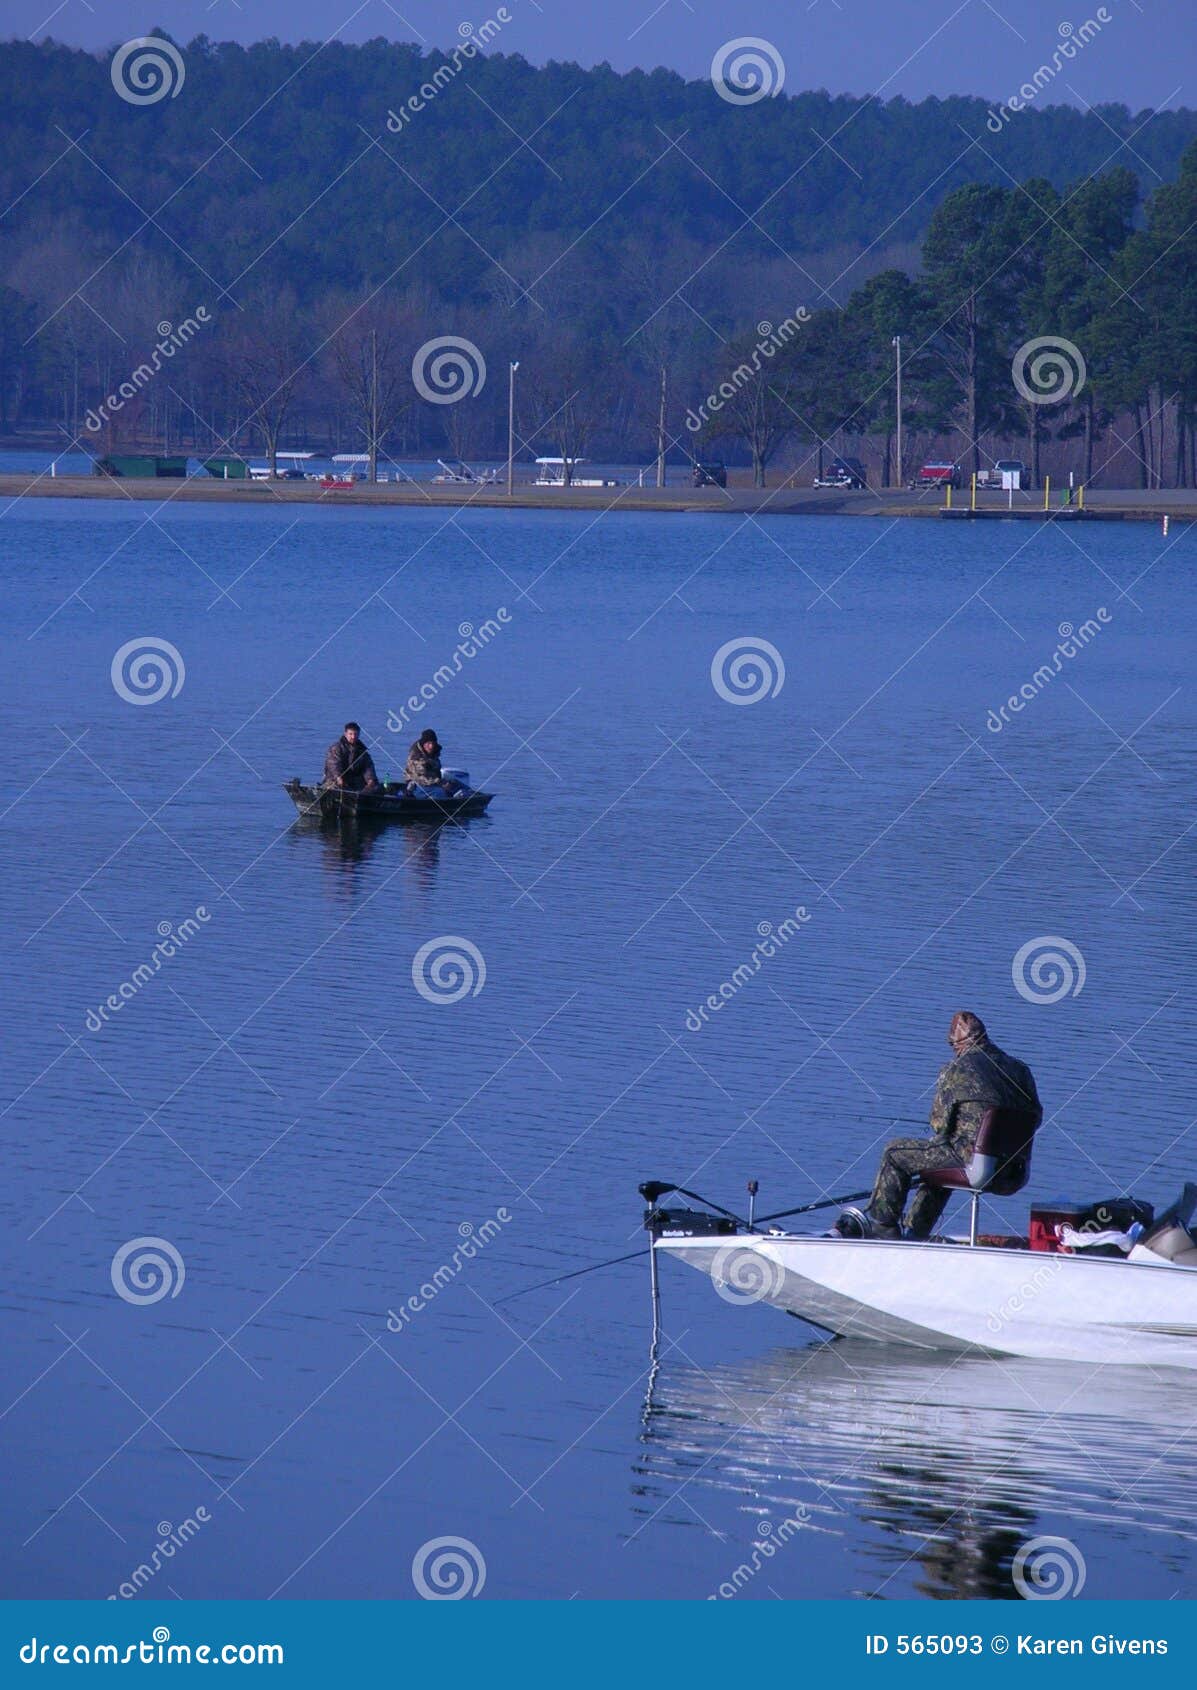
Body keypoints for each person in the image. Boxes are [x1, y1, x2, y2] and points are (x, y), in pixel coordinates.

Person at [849, 1011, 1042, 1241]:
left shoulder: (957, 1068)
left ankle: (883, 1227)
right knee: (937, 1167)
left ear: (957, 1042)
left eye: (953, 1046)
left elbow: (939, 1124)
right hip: (1013, 1172)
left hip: (975, 1165)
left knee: (894, 1152)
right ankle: (914, 1235)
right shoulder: (1020, 1070)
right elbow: (1036, 1118)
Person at [403, 728, 463, 796]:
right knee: (441, 792)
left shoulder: (433, 753)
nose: (431, 746)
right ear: (423, 744)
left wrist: (445, 783)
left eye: (432, 743)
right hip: (416, 786)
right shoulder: (416, 757)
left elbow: (436, 772)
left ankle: (470, 797)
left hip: (433, 783)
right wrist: (440, 782)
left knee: (456, 784)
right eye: (428, 743)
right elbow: (420, 778)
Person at [324, 722, 379, 791]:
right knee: (334, 787)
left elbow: (368, 767)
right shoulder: (336, 748)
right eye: (350, 734)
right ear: (345, 734)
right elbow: (333, 765)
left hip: (354, 782)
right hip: (334, 781)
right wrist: (338, 777)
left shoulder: (362, 751)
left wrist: (370, 779)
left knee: (374, 787)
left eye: (355, 734)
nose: (353, 737)